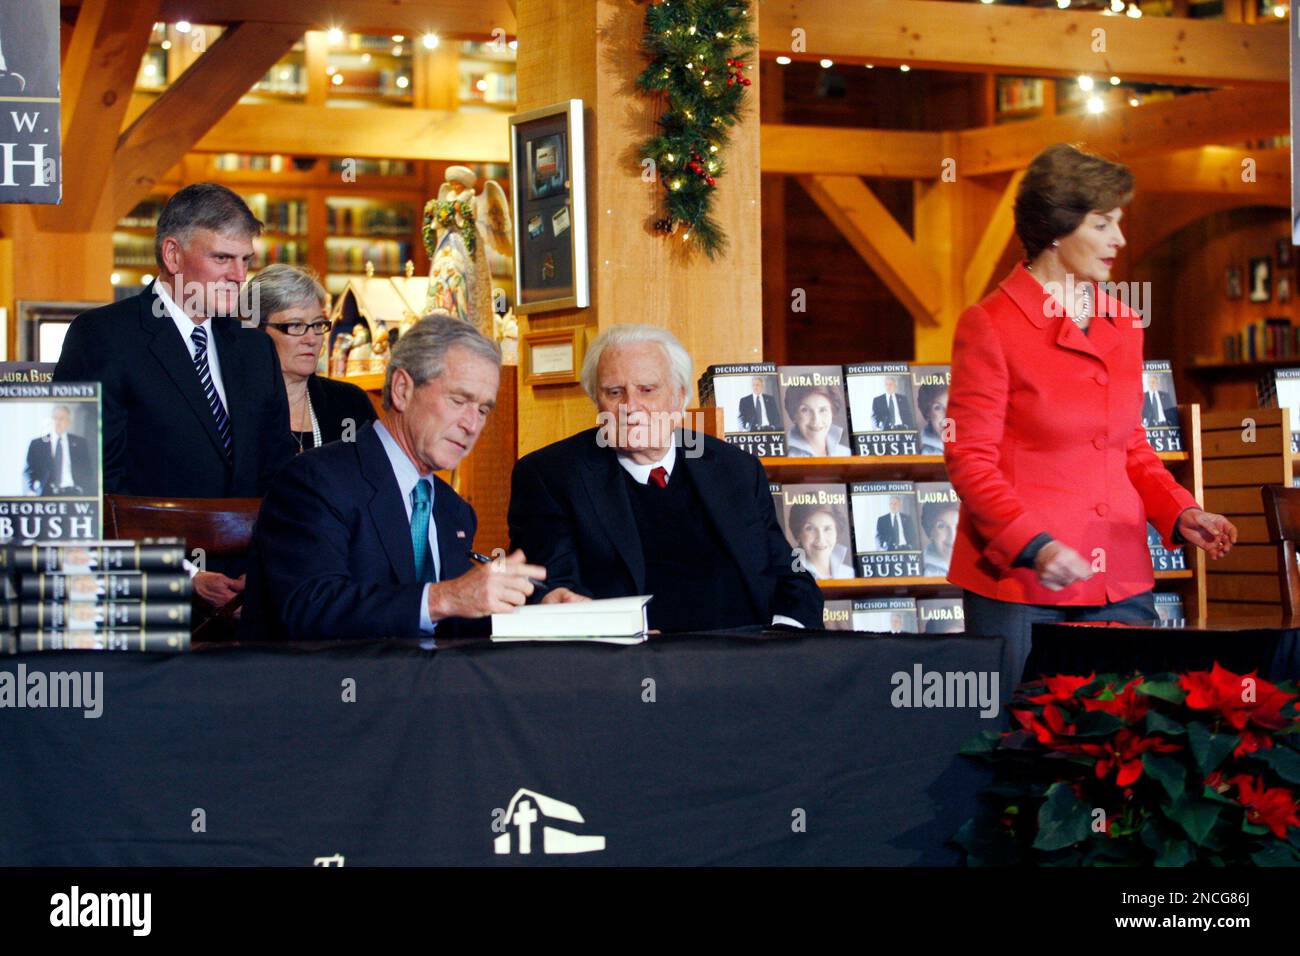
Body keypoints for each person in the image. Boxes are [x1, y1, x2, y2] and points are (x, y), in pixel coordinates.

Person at [945, 143, 1237, 678]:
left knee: (1123, 746)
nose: (1120, 240)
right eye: (1103, 224)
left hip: (1120, 576)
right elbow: (970, 461)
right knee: (1022, 749)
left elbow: (1129, 444)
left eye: (1119, 223)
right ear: (1057, 228)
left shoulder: (1125, 322)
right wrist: (1036, 546)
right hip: (1022, 582)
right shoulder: (989, 324)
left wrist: (1179, 510)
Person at [54, 183, 296, 613]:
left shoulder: (255, 348)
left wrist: (263, 571)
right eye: (222, 258)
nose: (239, 277)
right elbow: (88, 486)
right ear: (172, 255)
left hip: (252, 604)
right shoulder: (104, 337)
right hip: (146, 605)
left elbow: (278, 474)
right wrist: (184, 575)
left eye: (245, 261)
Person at [241, 315, 544, 642]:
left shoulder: (453, 509)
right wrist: (444, 597)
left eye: (483, 410)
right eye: (459, 400)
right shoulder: (315, 481)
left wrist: (534, 610)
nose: (472, 425)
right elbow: (310, 608)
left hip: (429, 686)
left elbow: (448, 625)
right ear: (402, 390)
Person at [507, 324, 823, 632]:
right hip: (625, 668)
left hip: (744, 664)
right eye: (615, 392)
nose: (631, 407)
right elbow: (556, 590)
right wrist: (623, 631)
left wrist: (784, 638)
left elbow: (787, 575)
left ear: (678, 398)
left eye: (647, 390)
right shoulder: (550, 476)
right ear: (596, 401)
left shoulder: (735, 470)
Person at [246, 264, 377, 452]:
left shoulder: (350, 403)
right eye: (295, 325)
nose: (311, 339)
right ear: (258, 331)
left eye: (317, 325)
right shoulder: (233, 407)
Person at [24, 405, 94, 495]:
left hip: (73, 493)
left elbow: (87, 469)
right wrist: (33, 488)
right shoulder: (37, 444)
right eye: (55, 418)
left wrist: (83, 487)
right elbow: (28, 471)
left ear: (68, 422)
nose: (57, 422)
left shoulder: (80, 443)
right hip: (45, 493)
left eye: (61, 419)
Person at [788, 502, 855, 580]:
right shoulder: (789, 576)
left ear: (837, 532)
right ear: (798, 534)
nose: (820, 538)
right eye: (810, 528)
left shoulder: (849, 574)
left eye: (827, 529)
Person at [784, 384, 851, 457]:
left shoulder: (846, 453)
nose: (816, 420)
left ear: (832, 413)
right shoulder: (785, 455)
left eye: (823, 410)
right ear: (794, 415)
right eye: (805, 410)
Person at [921, 500, 960, 577]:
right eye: (941, 526)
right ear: (931, 531)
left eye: (959, 526)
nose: (952, 536)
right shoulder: (920, 568)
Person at [917, 381, 949, 454]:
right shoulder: (925, 454)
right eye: (938, 408)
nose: (947, 415)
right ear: (928, 413)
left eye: (953, 406)